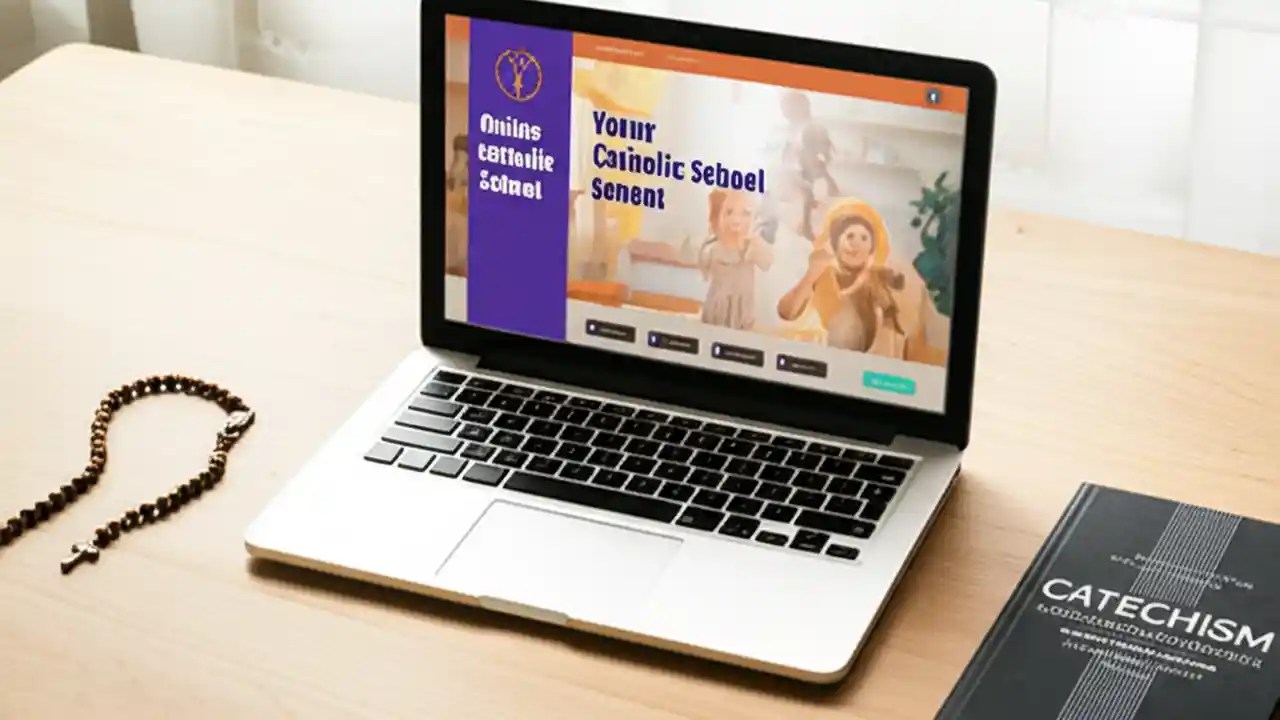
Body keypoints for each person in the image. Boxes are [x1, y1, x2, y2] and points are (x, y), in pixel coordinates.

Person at [777, 199, 945, 363]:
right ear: (835, 242)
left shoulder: (888, 278)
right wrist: (811, 275)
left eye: (864, 238)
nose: (856, 244)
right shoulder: (823, 274)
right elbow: (787, 313)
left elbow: (916, 330)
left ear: (872, 246)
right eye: (850, 236)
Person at [699, 190, 774, 331]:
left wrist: (752, 241)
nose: (736, 220)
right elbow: (708, 261)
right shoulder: (714, 247)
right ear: (716, 218)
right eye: (729, 213)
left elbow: (767, 262)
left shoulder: (753, 245)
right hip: (717, 313)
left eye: (745, 213)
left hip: (745, 312)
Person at [780, 91, 838, 242]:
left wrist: (820, 166)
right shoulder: (794, 128)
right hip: (798, 173)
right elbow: (789, 149)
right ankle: (804, 225)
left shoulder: (812, 127)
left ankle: (806, 226)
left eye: (788, 108)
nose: (785, 112)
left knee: (809, 195)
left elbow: (823, 153)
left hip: (809, 171)